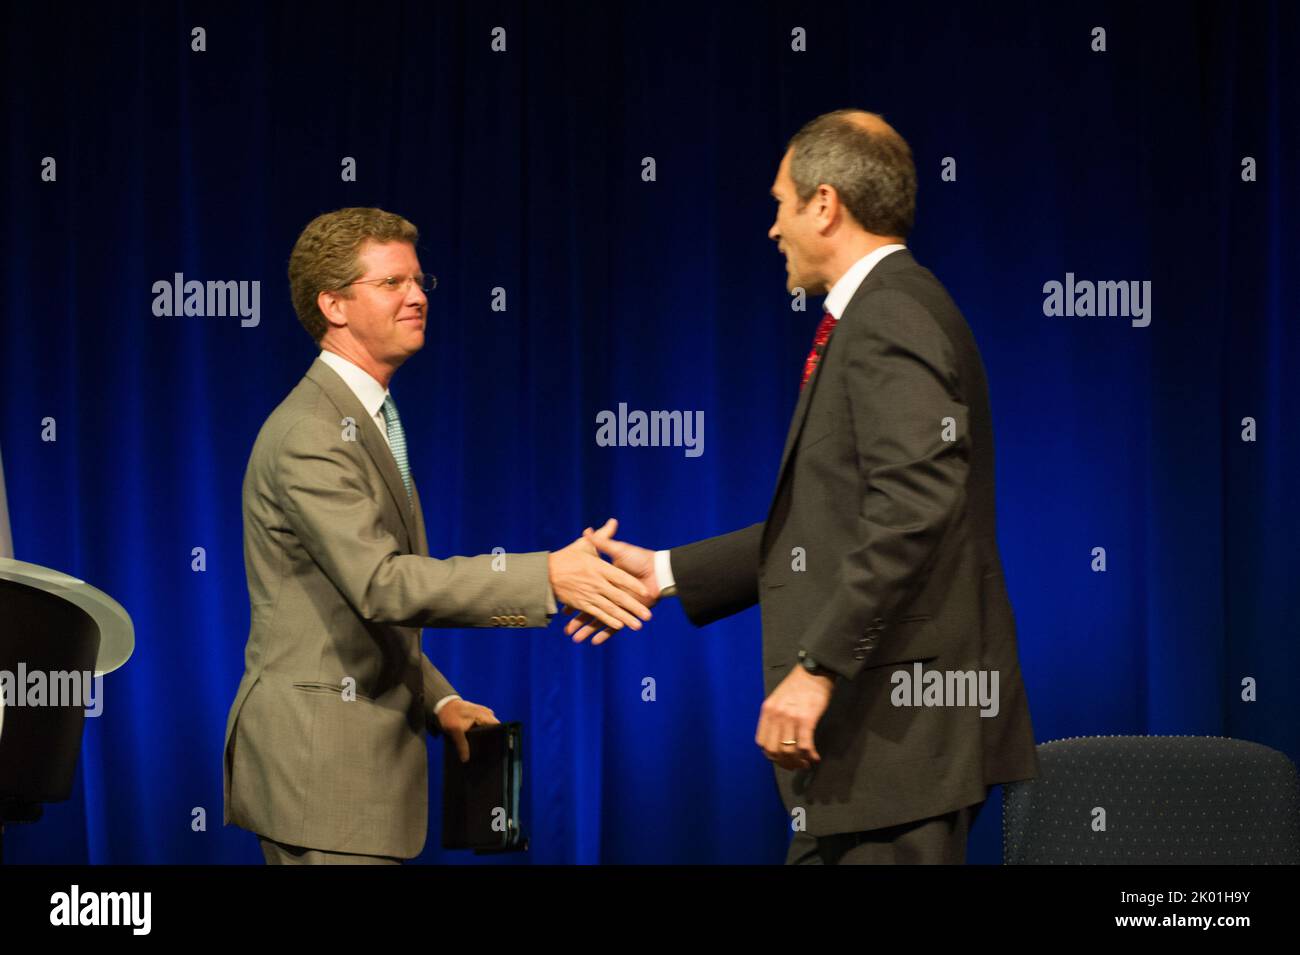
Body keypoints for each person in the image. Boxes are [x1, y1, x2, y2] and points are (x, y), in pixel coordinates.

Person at [569, 110, 1039, 864]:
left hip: (898, 734)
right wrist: (664, 572)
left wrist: (817, 667)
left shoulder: (890, 317)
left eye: (780, 203)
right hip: (881, 748)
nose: (773, 228)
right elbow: (837, 523)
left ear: (825, 204)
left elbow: (914, 510)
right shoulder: (890, 309)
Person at [223, 207, 651, 864]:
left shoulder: (366, 419)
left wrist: (440, 698)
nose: (418, 296)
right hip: (322, 776)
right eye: (392, 283)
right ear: (333, 304)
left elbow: (347, 613)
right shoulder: (312, 432)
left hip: (354, 776)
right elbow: (381, 583)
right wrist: (546, 576)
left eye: (419, 281)